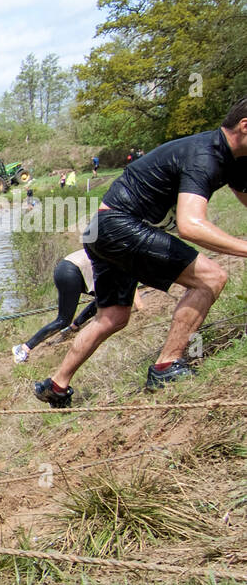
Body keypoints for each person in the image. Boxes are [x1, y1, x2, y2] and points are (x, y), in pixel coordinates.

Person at [34, 99, 247, 407]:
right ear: (244, 126)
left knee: (113, 316)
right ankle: (166, 366)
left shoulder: (234, 160)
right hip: (118, 225)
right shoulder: (206, 154)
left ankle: (56, 384)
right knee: (210, 278)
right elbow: (191, 225)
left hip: (102, 229)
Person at [12, 250, 145, 363]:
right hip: (71, 271)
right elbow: (137, 301)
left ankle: (75, 326)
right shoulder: (127, 260)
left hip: (67, 267)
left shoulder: (119, 249)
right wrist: (141, 309)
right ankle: (23, 348)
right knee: (63, 320)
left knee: (103, 298)